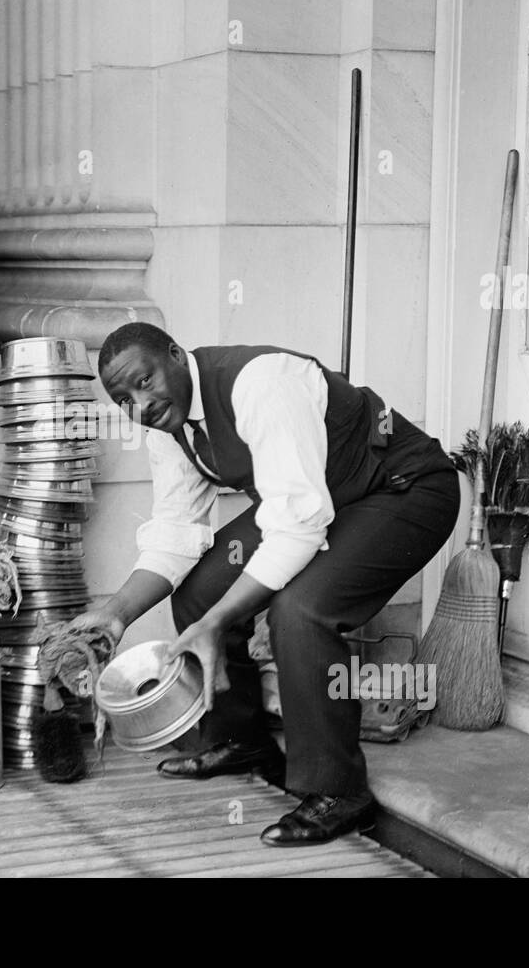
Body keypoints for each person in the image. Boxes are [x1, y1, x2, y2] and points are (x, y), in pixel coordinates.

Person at [70, 322, 459, 846]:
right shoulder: (170, 426)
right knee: (199, 587)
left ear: (175, 355)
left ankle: (340, 791)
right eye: (123, 399)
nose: (139, 403)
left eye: (144, 381)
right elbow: (175, 535)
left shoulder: (260, 383)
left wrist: (217, 623)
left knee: (301, 610)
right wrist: (116, 613)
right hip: (320, 502)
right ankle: (239, 738)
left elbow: (297, 529)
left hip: (402, 489)